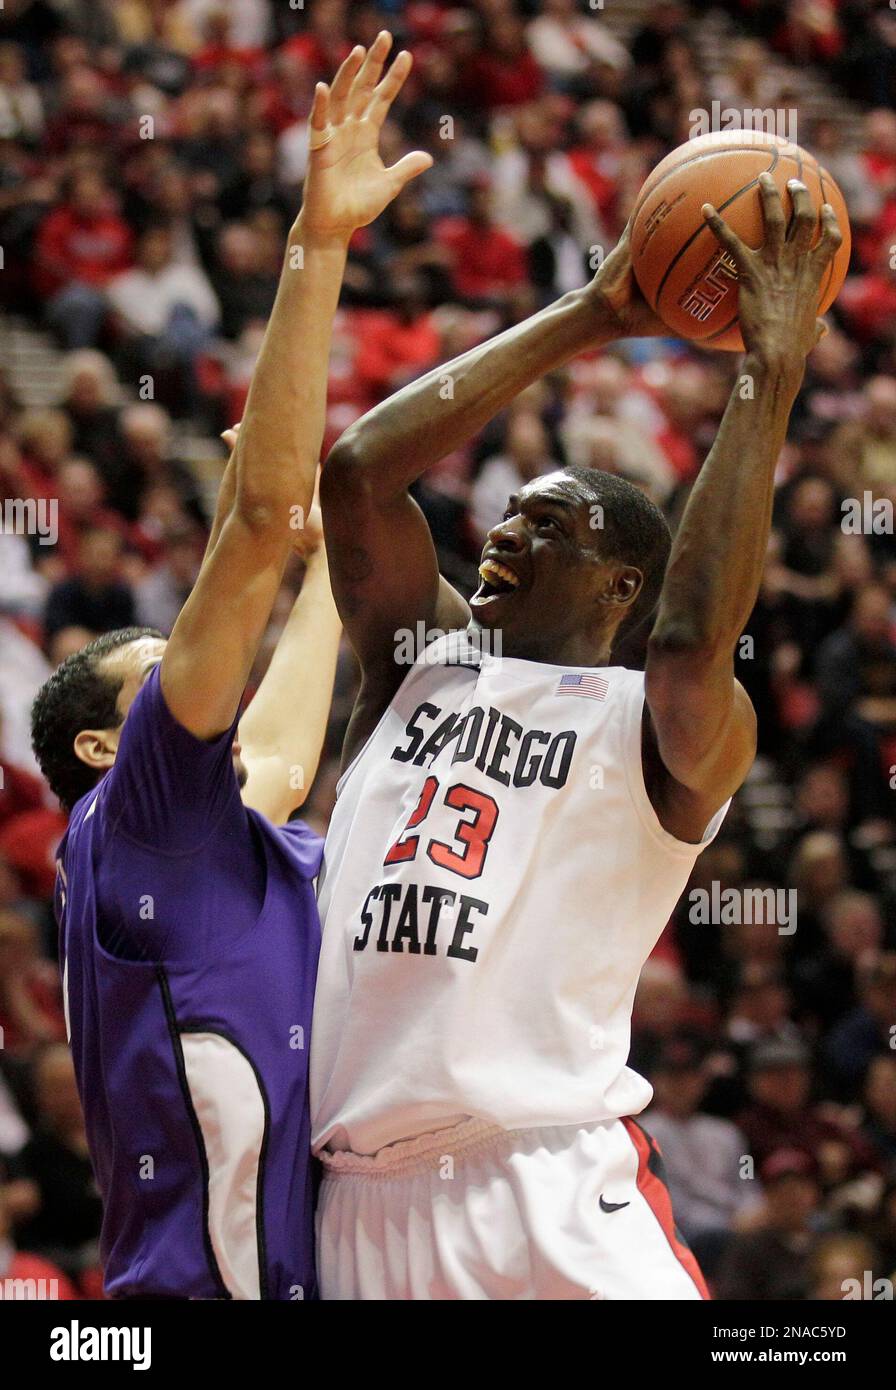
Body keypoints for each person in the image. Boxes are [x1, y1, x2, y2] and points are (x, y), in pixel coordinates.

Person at [311, 173, 843, 1299]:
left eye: (545, 525)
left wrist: (767, 372)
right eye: (509, 512)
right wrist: (592, 311)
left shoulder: (657, 730)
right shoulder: (418, 664)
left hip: (545, 1179)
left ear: (617, 584)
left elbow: (696, 635)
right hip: (359, 1204)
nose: (502, 531)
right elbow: (358, 475)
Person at [29, 34, 430, 1301]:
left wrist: (316, 561)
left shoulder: (208, 839)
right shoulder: (130, 816)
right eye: (158, 677)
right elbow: (249, 525)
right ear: (108, 748)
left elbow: (281, 750)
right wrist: (319, 238)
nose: (197, 689)